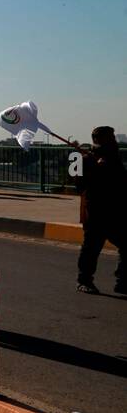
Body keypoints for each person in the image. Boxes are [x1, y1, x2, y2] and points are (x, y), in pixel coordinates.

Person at [75, 126, 126, 294]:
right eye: (109, 137)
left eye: (112, 137)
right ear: (97, 140)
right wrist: (92, 165)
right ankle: (84, 281)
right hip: (95, 210)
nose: (113, 141)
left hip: (115, 210)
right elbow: (78, 184)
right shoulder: (83, 159)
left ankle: (122, 281)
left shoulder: (113, 157)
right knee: (91, 247)